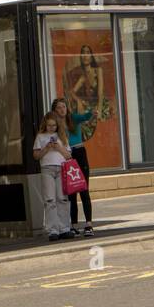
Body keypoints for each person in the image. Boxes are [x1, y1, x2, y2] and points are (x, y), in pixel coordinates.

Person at [51, 96, 94, 237]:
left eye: (64, 107)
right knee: (71, 192)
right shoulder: (55, 124)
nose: (62, 110)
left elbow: (86, 116)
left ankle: (88, 225)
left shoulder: (73, 118)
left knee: (84, 189)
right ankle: (73, 225)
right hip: (66, 155)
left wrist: (92, 112)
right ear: (55, 110)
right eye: (59, 107)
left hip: (79, 152)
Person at [32, 111, 72, 242]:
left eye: (54, 125)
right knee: (50, 200)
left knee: (62, 198)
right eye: (49, 125)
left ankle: (64, 228)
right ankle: (53, 230)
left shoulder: (62, 136)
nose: (51, 128)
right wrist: (47, 148)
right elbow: (36, 156)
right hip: (47, 169)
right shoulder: (40, 136)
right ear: (45, 124)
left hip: (61, 169)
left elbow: (68, 156)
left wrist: (58, 147)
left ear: (57, 125)